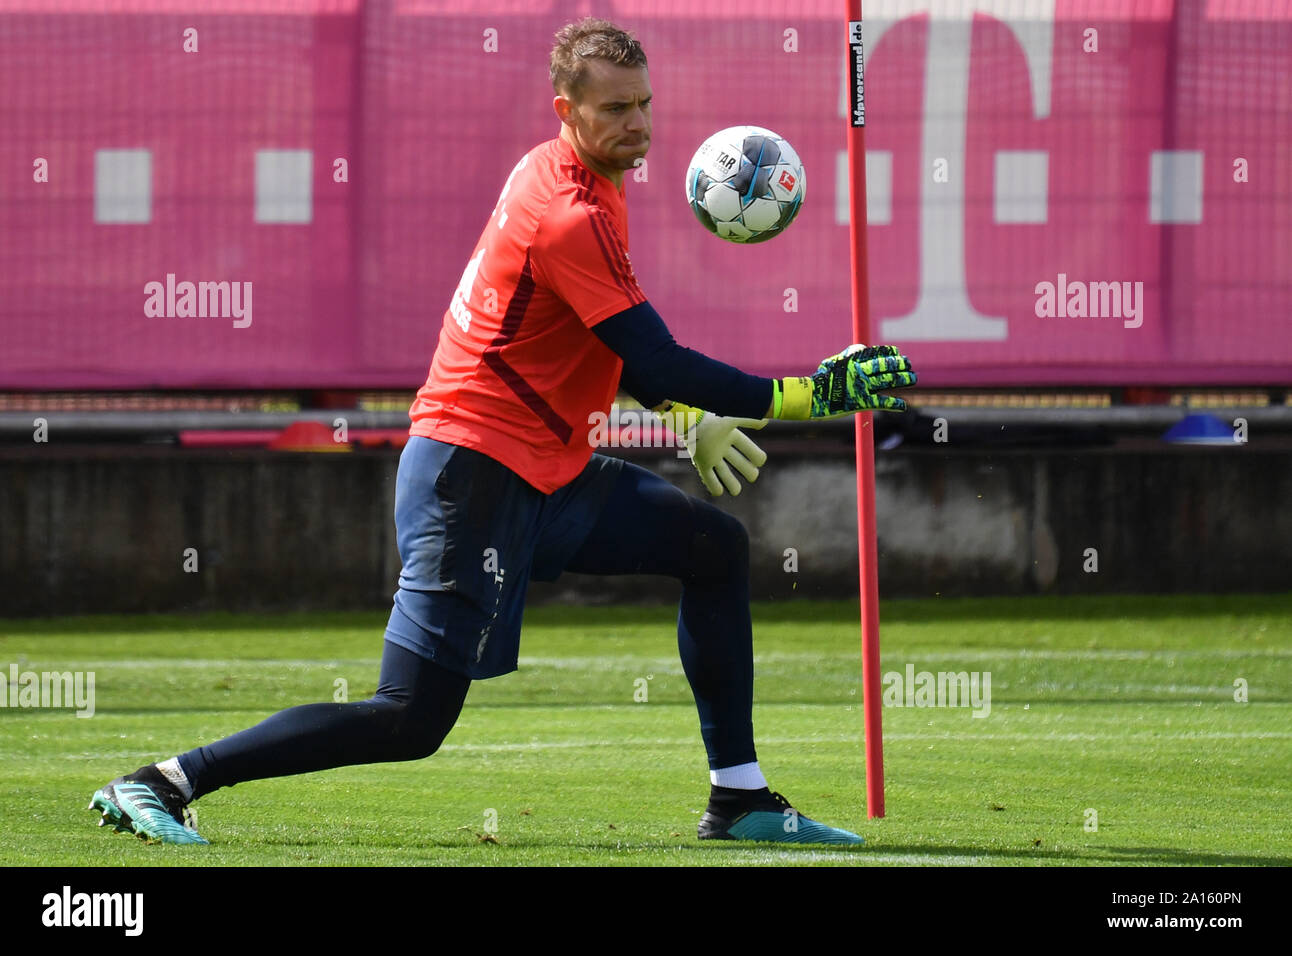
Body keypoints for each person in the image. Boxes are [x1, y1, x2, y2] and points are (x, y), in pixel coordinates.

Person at [89, 17, 916, 847]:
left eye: (646, 103)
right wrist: (816, 393)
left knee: (712, 546)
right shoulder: (568, 211)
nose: (639, 125)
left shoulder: (575, 177)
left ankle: (741, 800)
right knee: (410, 718)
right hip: (472, 472)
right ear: (567, 107)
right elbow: (656, 361)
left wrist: (686, 418)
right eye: (617, 108)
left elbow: (604, 343)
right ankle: (162, 780)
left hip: (546, 469)